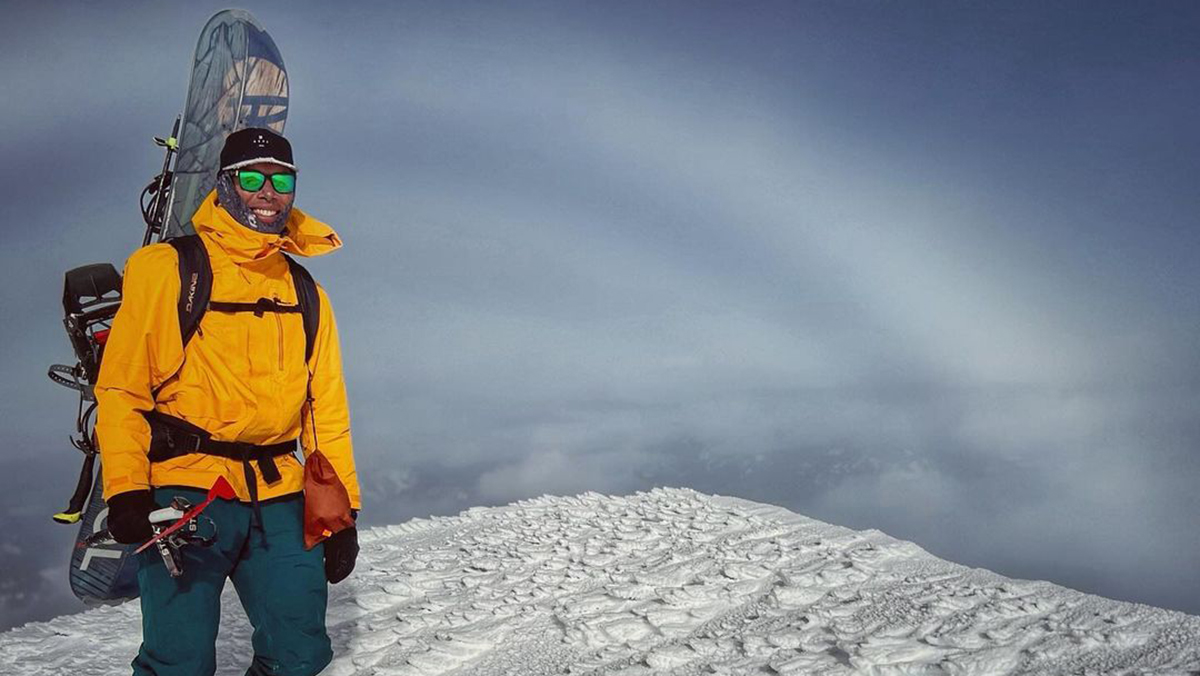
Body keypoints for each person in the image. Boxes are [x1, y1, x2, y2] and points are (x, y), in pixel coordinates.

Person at [95, 128, 361, 676]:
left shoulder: (306, 292)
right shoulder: (166, 268)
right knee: (180, 661)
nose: (268, 191)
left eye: (281, 180)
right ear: (224, 183)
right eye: (252, 177)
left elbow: (325, 411)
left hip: (279, 492)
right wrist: (126, 490)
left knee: (300, 654)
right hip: (187, 492)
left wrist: (342, 512)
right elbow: (122, 389)